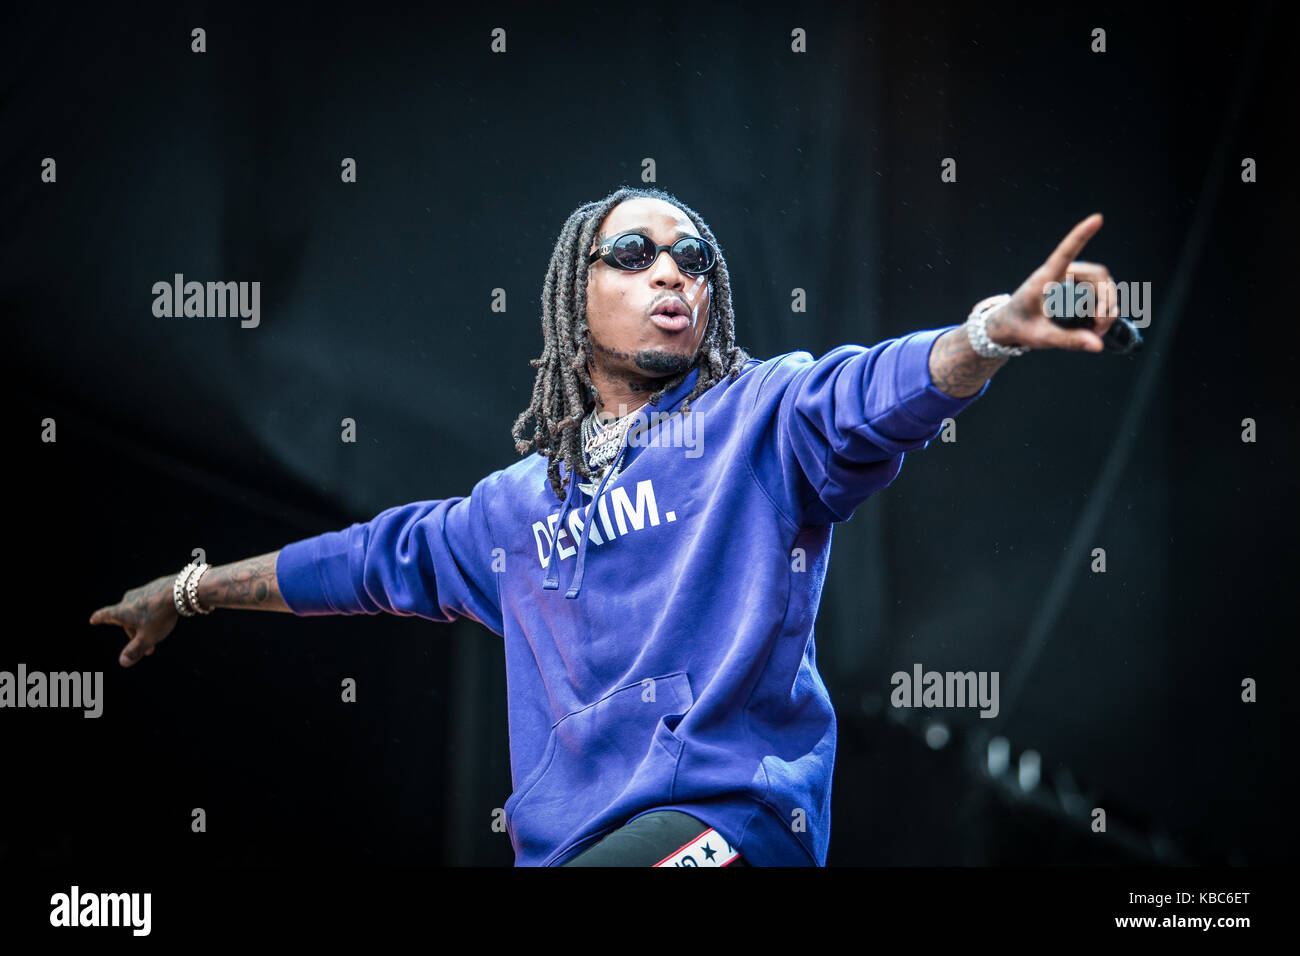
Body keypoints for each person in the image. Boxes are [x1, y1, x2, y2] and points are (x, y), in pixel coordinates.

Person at [89, 185, 1122, 866]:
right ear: (574, 300)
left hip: (730, 826)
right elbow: (361, 560)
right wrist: (190, 588)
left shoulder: (758, 416)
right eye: (633, 251)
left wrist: (989, 333)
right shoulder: (507, 509)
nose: (672, 271)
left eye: (695, 257)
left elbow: (877, 389)